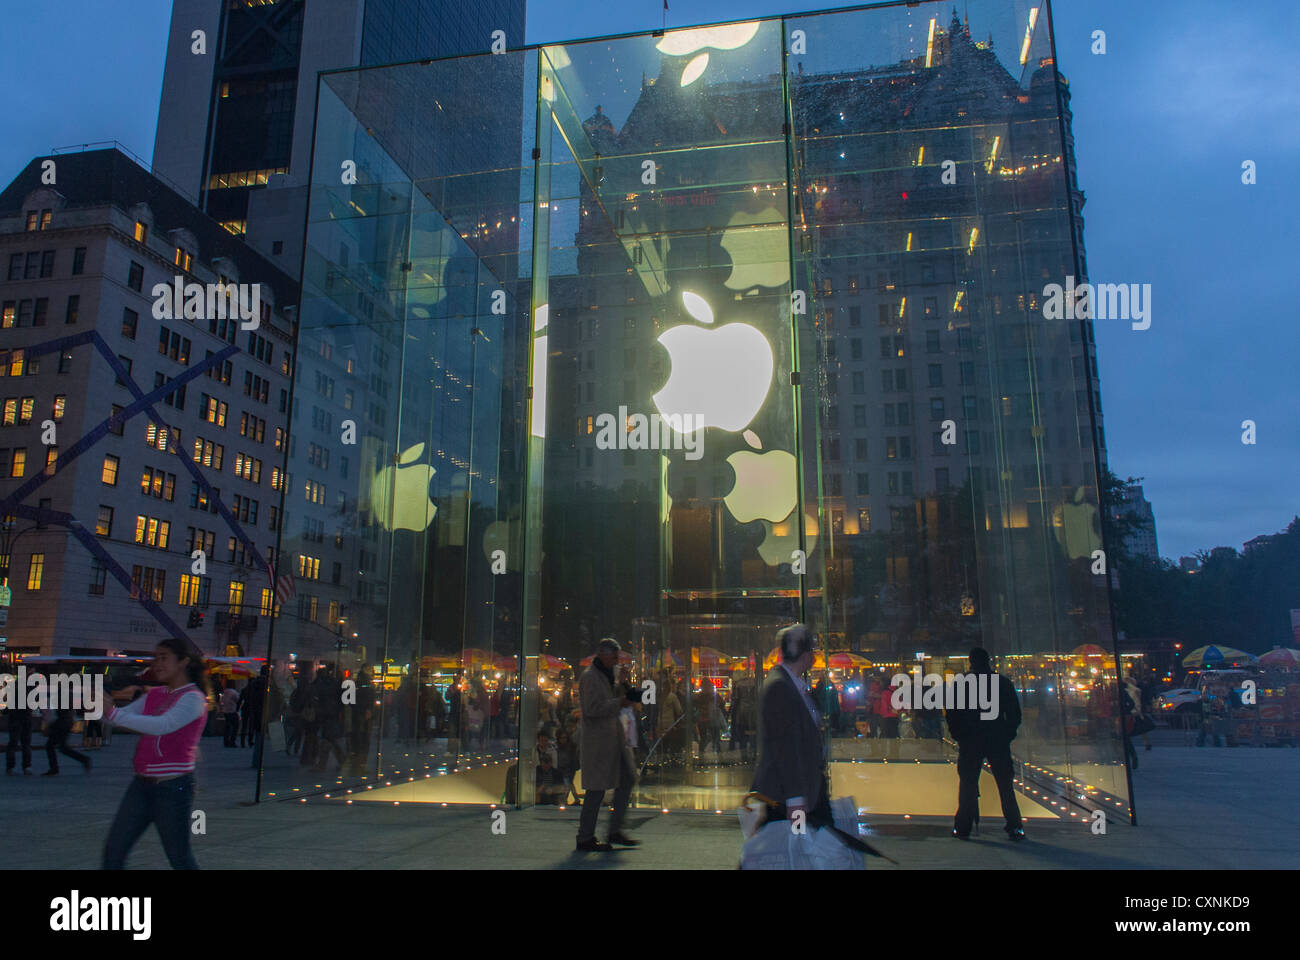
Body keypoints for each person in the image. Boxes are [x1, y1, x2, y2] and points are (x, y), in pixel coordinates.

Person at [101, 637, 209, 869]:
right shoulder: (155, 694)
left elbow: (164, 724)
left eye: (164, 658)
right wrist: (99, 707)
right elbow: (123, 718)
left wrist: (112, 714)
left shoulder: (193, 698)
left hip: (173, 788)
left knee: (179, 858)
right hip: (141, 785)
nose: (157, 663)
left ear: (183, 662)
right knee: (113, 853)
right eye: (155, 658)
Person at [751, 624, 830, 828]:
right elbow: (785, 746)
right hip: (789, 796)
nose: (814, 656)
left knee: (803, 848)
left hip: (801, 792)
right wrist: (795, 799)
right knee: (795, 849)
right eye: (812, 651)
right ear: (805, 655)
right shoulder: (780, 687)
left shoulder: (791, 684)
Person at [945, 647, 1024, 841]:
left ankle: (963, 826)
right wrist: (1006, 734)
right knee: (1005, 786)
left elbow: (953, 713)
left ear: (971, 662)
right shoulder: (1002, 683)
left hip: (971, 741)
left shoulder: (962, 683)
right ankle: (1014, 825)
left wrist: (959, 735)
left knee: (968, 785)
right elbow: (1014, 714)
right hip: (997, 740)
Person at [575, 638, 643, 852]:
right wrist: (619, 702)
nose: (616, 661)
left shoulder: (606, 675)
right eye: (613, 657)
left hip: (613, 739)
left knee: (626, 778)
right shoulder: (590, 678)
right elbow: (592, 709)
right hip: (598, 741)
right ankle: (585, 836)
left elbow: (616, 698)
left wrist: (623, 684)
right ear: (603, 655)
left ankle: (613, 830)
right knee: (596, 788)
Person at [43, 706, 92, 776]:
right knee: (62, 747)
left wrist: (50, 724)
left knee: (50, 746)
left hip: (62, 722)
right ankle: (84, 759)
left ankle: (54, 768)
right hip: (67, 721)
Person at [5, 704, 34, 775]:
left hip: (14, 719)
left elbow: (6, 708)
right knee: (26, 744)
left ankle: (10, 767)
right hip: (26, 718)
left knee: (12, 744)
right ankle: (27, 767)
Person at [220, 681, 239, 748]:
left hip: (225, 711)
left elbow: (222, 701)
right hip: (232, 711)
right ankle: (232, 741)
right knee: (235, 726)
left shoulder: (224, 692)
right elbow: (237, 700)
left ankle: (226, 741)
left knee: (227, 727)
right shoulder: (234, 692)